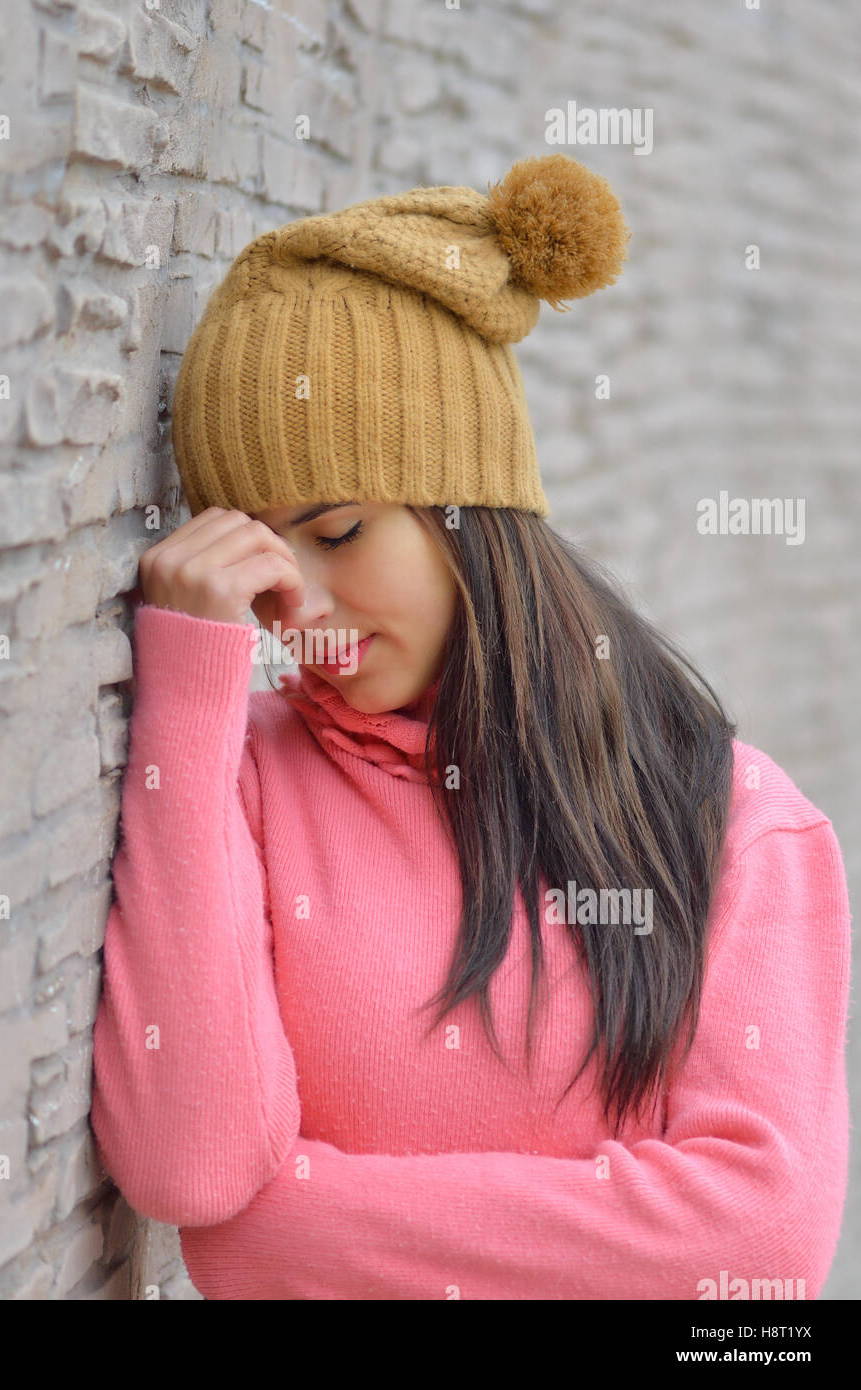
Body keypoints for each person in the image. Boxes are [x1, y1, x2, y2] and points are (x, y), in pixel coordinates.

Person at [89, 155, 851, 1300]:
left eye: (338, 530)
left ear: (471, 510)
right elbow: (197, 1176)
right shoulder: (228, 775)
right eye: (253, 553)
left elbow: (759, 1249)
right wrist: (189, 691)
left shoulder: (730, 822)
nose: (296, 605)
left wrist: (306, 1222)